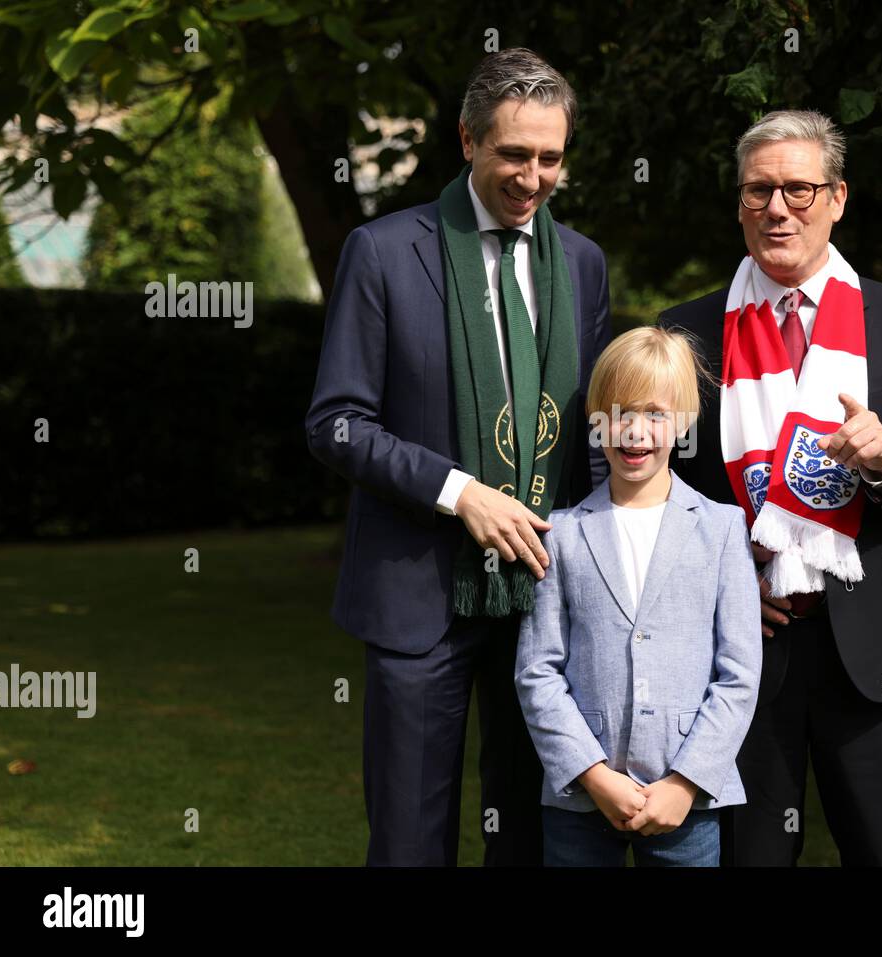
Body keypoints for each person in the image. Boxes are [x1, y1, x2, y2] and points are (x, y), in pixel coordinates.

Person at [305, 48, 612, 866]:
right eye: (514, 153)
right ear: (468, 140)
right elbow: (336, 422)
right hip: (417, 596)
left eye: (550, 157)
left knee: (534, 834)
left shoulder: (582, 262)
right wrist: (460, 492)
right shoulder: (382, 251)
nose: (532, 176)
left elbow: (588, 429)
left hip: (544, 598)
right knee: (409, 842)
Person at [659, 109, 882, 866]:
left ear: (838, 198)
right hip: (739, 655)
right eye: (758, 191)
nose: (777, 208)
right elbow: (651, 492)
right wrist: (722, 569)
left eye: (799, 190)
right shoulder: (687, 331)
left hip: (877, 656)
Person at [515, 326, 762, 866]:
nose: (635, 431)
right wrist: (592, 775)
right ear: (597, 418)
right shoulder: (562, 534)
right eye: (619, 412)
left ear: (683, 422)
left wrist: (687, 780)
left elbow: (739, 673)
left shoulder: (722, 529)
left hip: (686, 802)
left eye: (655, 413)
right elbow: (538, 670)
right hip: (581, 800)